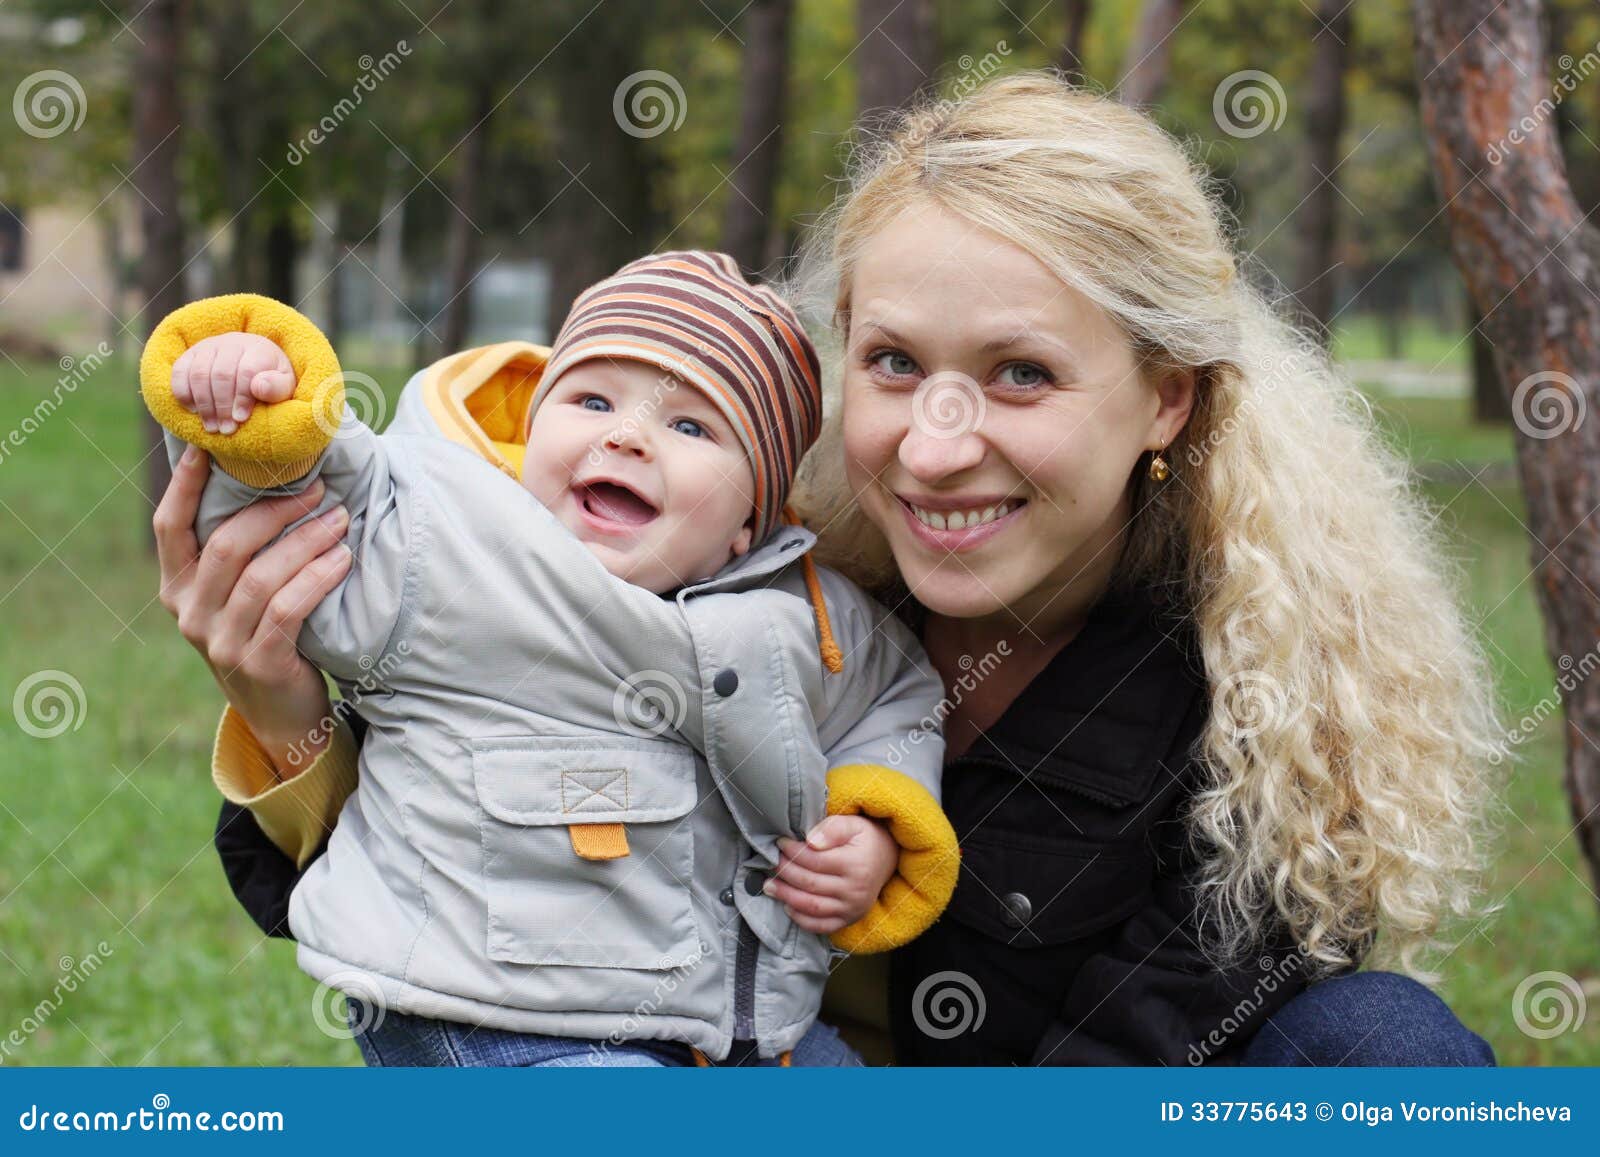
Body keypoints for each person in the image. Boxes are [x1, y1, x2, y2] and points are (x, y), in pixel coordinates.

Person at [164, 73, 1501, 1066]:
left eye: (1021, 373)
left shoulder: (1267, 694)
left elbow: (1125, 1073)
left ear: (1164, 398)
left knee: (1382, 1043)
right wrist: (288, 718)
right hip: (647, 1055)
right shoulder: (725, 554)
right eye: (896, 362)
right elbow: (407, 882)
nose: (933, 446)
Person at [141, 251, 958, 1067]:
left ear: (752, 520)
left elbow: (895, 699)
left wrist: (873, 823)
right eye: (592, 398)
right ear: (531, 435)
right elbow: (306, 495)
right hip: (487, 1014)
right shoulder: (444, 541)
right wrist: (256, 396)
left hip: (737, 1033)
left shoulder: (801, 613)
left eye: (690, 426)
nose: (627, 434)